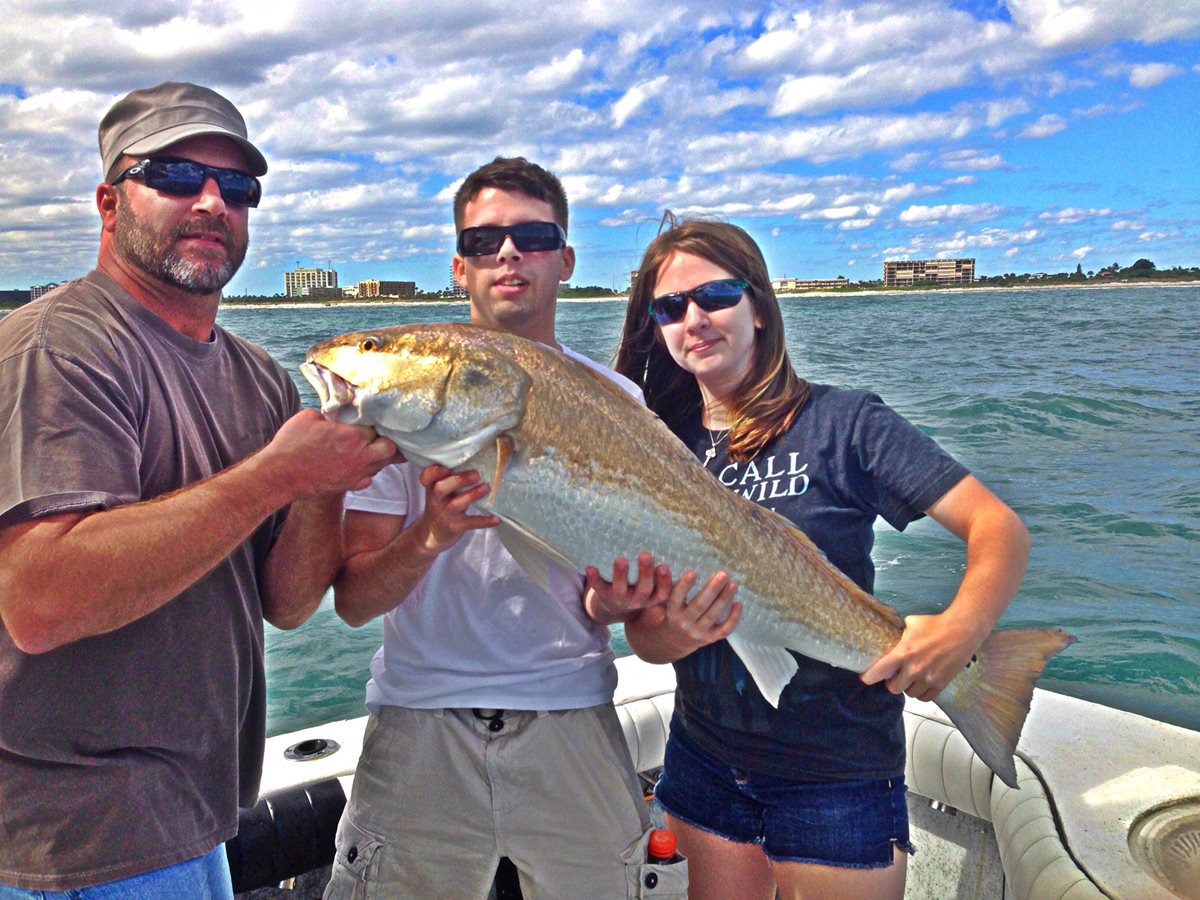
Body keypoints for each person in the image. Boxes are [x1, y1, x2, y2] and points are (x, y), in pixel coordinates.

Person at [0, 82, 397, 896]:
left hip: (194, 816)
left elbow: (286, 603)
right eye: (177, 176)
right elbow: (39, 600)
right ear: (109, 203)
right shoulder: (60, 347)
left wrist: (322, 486)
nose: (213, 201)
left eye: (238, 187)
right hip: (74, 840)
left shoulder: (257, 376)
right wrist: (280, 472)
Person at [613, 218, 1031, 900]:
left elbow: (997, 525)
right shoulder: (655, 445)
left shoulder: (845, 422)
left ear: (759, 305)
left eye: (716, 294)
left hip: (838, 769)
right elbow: (646, 637)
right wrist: (675, 632)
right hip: (703, 759)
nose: (695, 318)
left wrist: (961, 631)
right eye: (670, 307)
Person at [324, 157, 667, 899]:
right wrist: (432, 535)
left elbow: (609, 583)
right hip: (419, 721)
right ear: (459, 266)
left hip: (573, 710)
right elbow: (353, 600)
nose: (508, 254)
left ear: (565, 259)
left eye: (533, 236)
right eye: (484, 243)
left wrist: (620, 602)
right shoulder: (389, 416)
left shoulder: (620, 400)